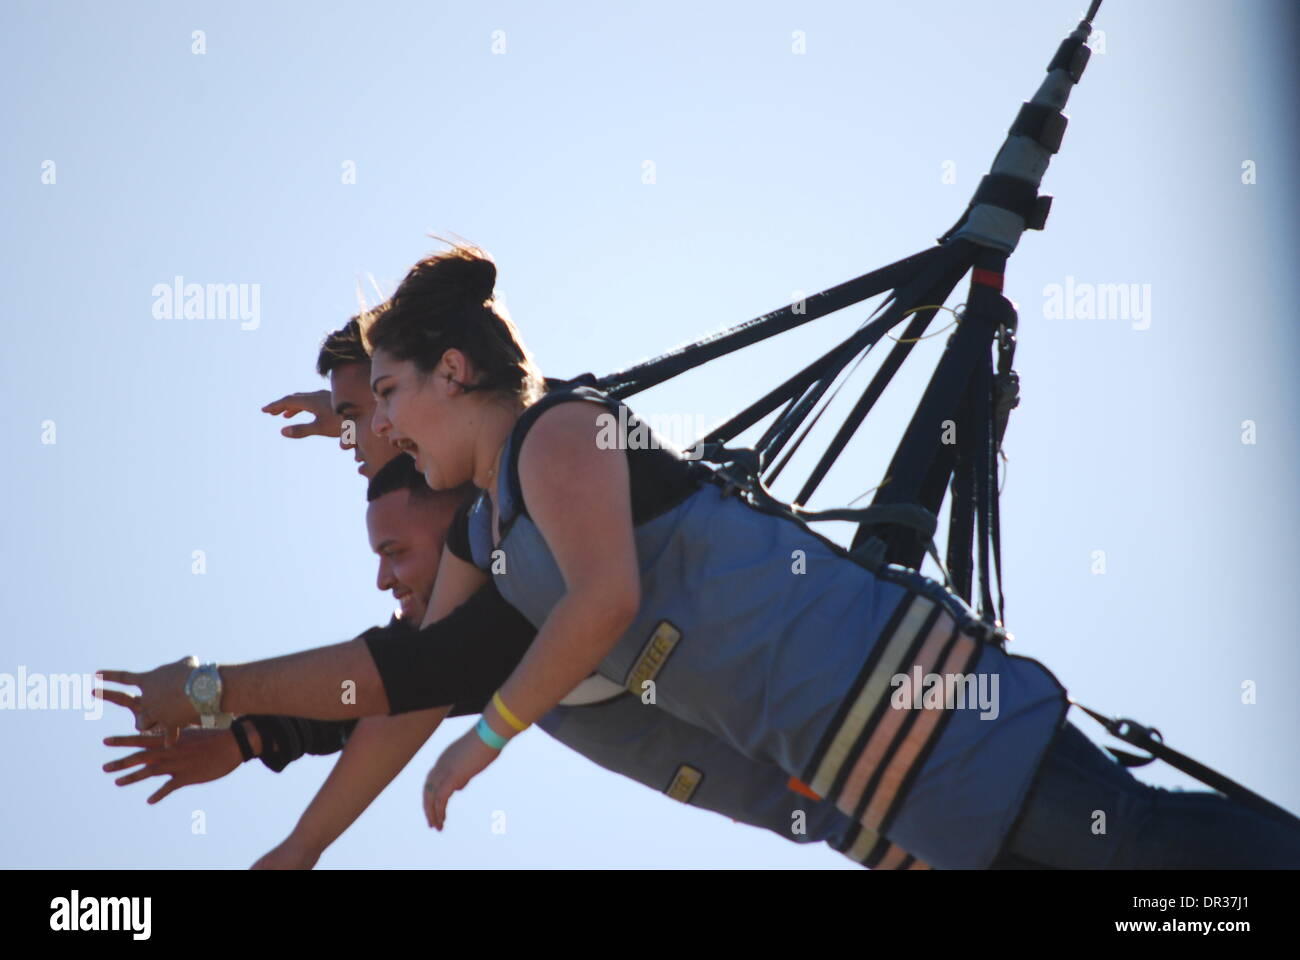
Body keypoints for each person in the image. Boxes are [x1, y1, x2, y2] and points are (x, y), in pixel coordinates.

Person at [101, 242, 1300, 869]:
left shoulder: (552, 457)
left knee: (1148, 850)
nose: (382, 446)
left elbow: (424, 672)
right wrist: (267, 748)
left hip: (914, 715)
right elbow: (422, 661)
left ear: (447, 378)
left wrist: (259, 726)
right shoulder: (497, 543)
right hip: (882, 793)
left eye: (391, 408)